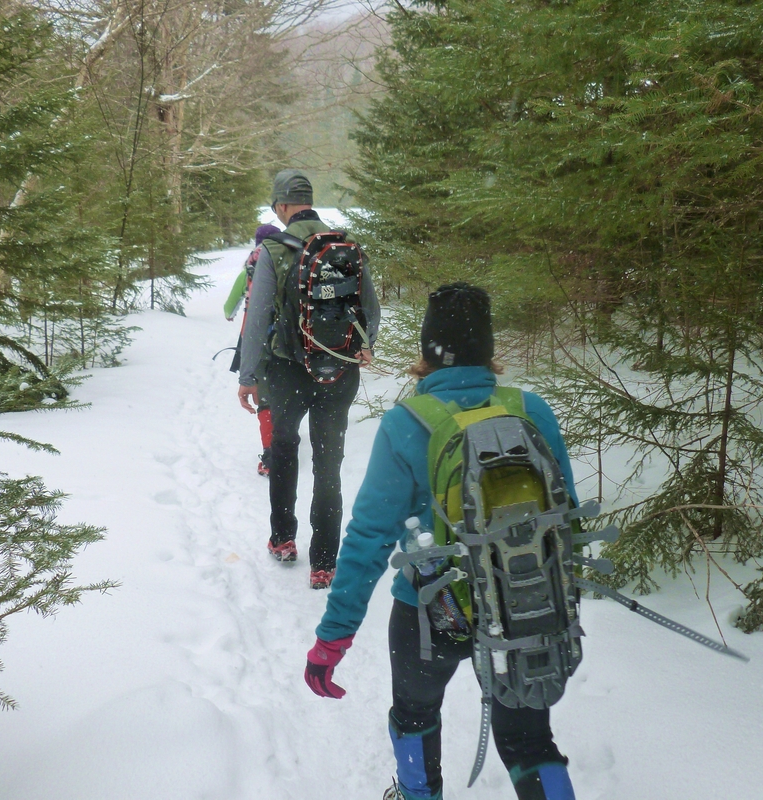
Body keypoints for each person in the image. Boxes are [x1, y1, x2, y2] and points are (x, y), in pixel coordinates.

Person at [303, 284, 578, 800]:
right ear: (489, 350)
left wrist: (333, 637)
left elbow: (367, 539)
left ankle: (415, 793)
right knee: (528, 740)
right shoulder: (532, 409)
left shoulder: (407, 422)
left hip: (430, 611)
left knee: (414, 712)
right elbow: (566, 520)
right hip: (522, 607)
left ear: (426, 352)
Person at [236, 169, 380, 590]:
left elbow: (258, 315)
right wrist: (363, 344)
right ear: (310, 200)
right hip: (338, 368)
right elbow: (370, 306)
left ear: (281, 206)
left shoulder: (272, 249)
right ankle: (324, 562)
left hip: (286, 370)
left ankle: (283, 538)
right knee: (328, 461)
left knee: (283, 450)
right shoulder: (344, 244)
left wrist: (247, 376)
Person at [224, 223, 280, 476]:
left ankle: (270, 454)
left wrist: (230, 315)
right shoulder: (286, 262)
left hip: (255, 339)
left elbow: (229, 306)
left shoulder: (249, 268)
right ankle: (286, 439)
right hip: (285, 338)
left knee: (264, 397)